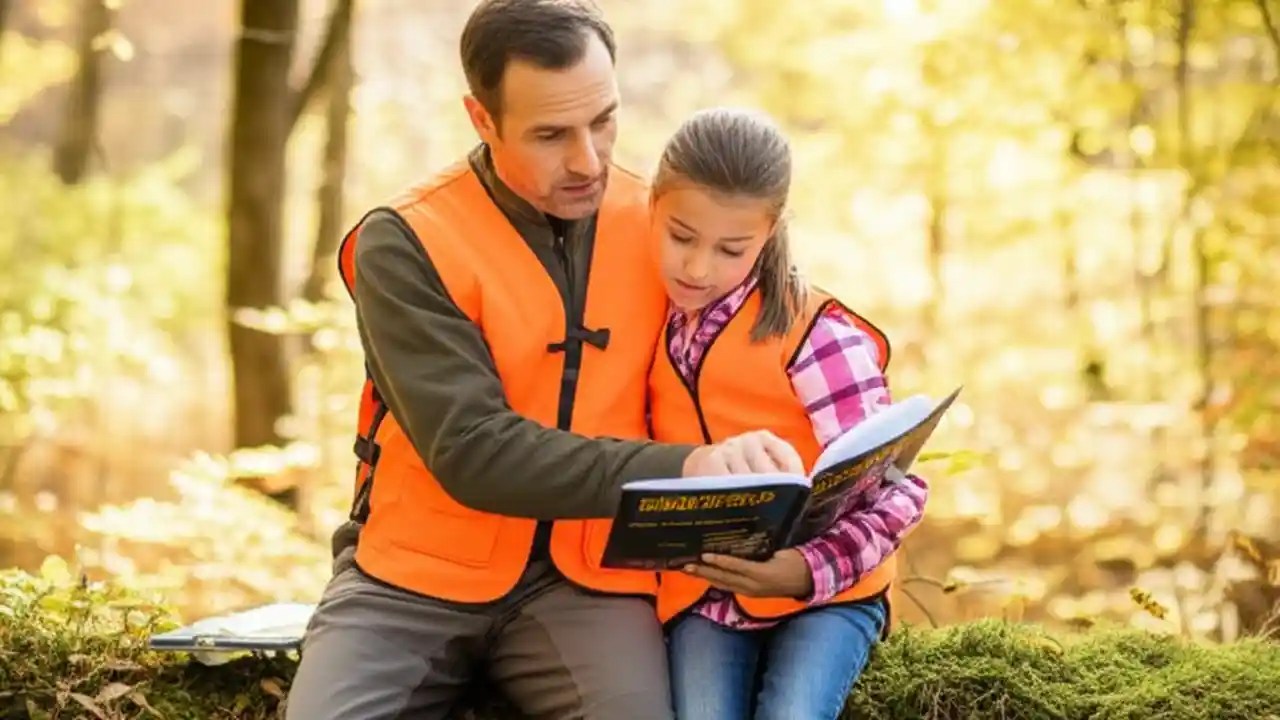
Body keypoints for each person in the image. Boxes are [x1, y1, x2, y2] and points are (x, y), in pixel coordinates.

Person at [283, 4, 803, 720]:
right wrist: (684, 467)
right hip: (412, 575)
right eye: (552, 135)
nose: (588, 159)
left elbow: (776, 349)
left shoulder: (669, 223)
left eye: (604, 121)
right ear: (482, 119)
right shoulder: (404, 242)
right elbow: (471, 451)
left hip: (592, 580)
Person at [644, 107, 932, 720]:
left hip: (829, 593)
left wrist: (804, 571)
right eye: (681, 236)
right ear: (652, 207)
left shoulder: (815, 337)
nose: (697, 268)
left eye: (731, 249)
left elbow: (901, 491)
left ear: (771, 232)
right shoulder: (646, 317)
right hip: (706, 596)